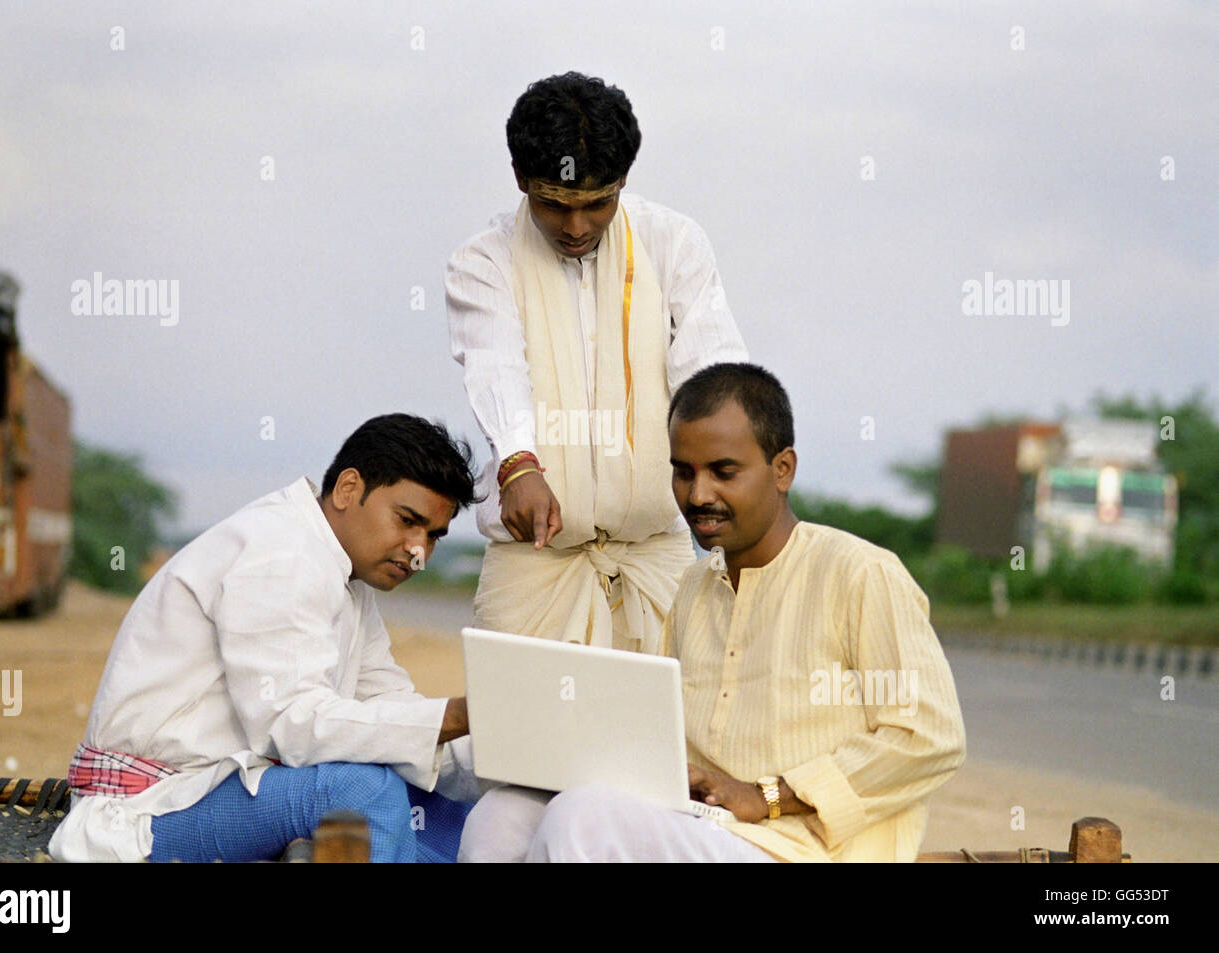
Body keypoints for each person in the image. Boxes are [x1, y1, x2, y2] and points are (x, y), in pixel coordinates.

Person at [460, 364, 966, 862]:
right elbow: (662, 743)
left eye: (724, 472)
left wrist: (769, 795)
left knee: (583, 818)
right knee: (504, 814)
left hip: (802, 847)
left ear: (782, 468)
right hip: (702, 826)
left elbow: (929, 737)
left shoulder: (860, 573)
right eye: (684, 472)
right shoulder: (694, 586)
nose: (698, 495)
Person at [49, 414, 483, 863]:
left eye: (433, 536)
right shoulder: (281, 554)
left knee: (461, 809)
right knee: (365, 790)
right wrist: (460, 714)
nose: (419, 552)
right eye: (407, 520)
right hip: (156, 805)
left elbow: (388, 705)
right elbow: (293, 727)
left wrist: (506, 745)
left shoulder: (346, 577)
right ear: (348, 488)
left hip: (235, 789)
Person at [445, 71, 748, 653]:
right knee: (520, 734)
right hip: (533, 564)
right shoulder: (482, 262)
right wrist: (518, 466)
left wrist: (729, 481)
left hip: (659, 555)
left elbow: (713, 378)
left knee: (673, 735)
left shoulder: (675, 243)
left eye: (597, 204)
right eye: (554, 204)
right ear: (520, 180)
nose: (577, 227)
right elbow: (496, 365)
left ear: (624, 179)